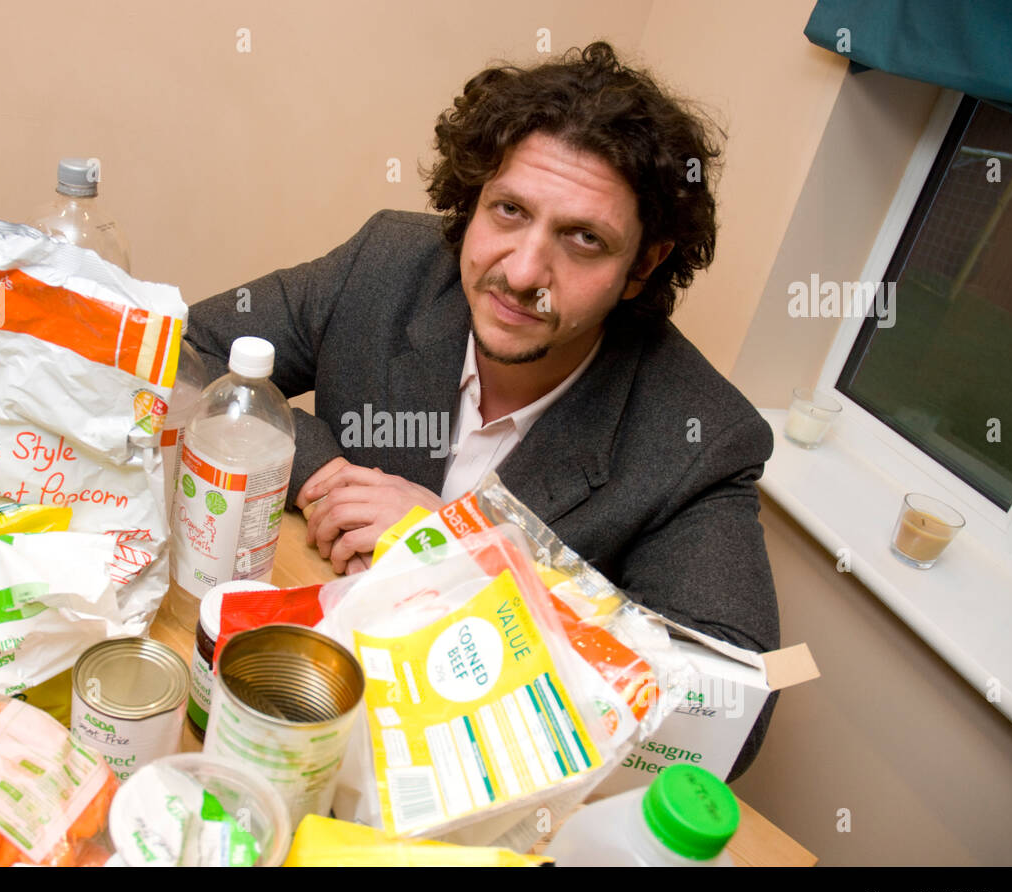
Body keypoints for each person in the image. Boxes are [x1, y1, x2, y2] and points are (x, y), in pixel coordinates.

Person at [183, 41, 779, 778]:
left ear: (643, 265)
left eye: (584, 239)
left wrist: (470, 553)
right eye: (509, 211)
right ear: (473, 200)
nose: (524, 272)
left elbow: (728, 713)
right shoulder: (385, 266)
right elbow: (187, 350)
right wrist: (323, 471)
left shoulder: (699, 434)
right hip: (299, 697)